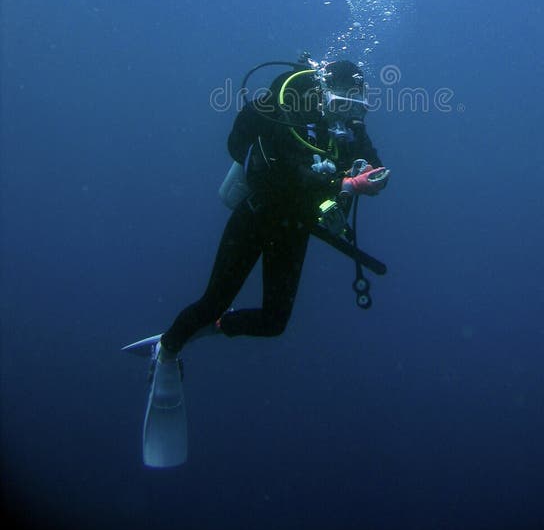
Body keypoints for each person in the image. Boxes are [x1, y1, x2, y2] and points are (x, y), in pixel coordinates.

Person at [158, 56, 390, 362]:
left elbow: (374, 166)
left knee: (274, 321)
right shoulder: (289, 111)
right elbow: (287, 172)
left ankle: (218, 326)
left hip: (295, 229)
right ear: (324, 89)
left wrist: (373, 176)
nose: (345, 110)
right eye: (341, 100)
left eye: (352, 102)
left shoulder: (348, 126)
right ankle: (166, 351)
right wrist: (348, 185)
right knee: (213, 301)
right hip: (258, 216)